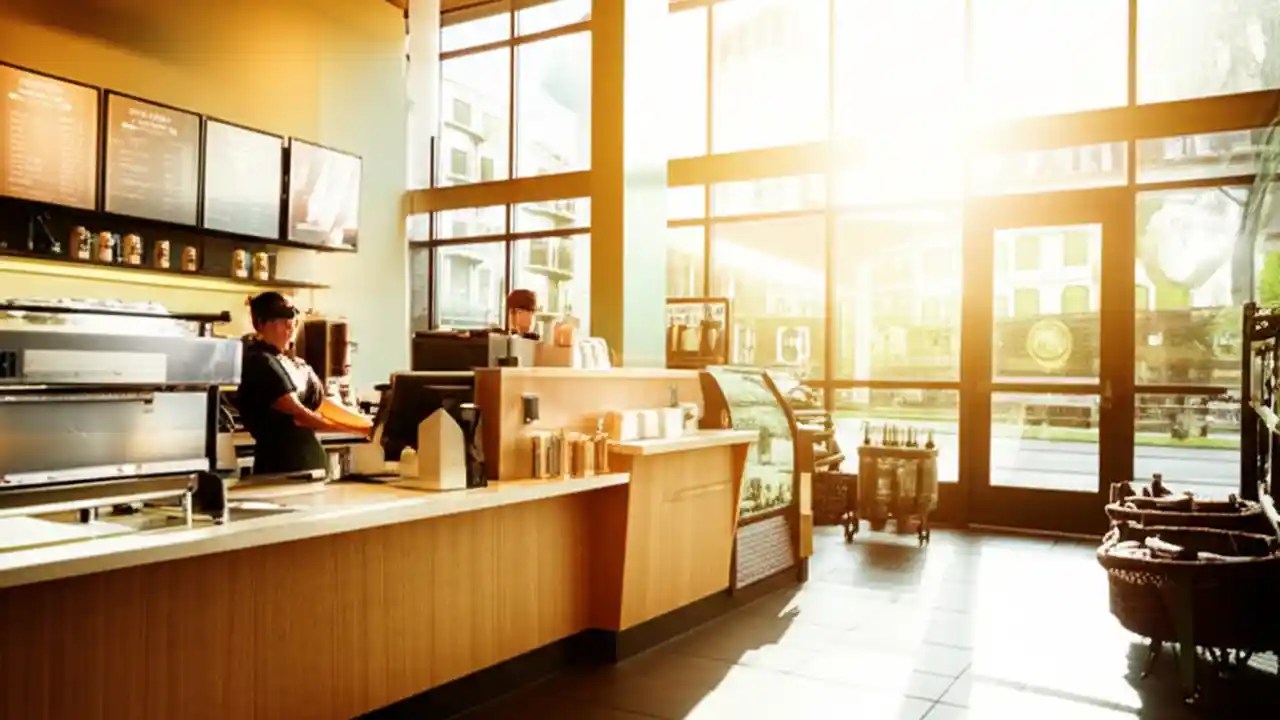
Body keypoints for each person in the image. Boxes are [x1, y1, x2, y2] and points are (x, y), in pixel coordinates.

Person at [237, 292, 359, 475]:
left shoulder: (297, 365)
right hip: (281, 467)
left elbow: (323, 405)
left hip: (310, 465)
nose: (290, 323)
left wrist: (364, 424)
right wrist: (347, 429)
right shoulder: (259, 363)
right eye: (281, 317)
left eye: (293, 315)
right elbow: (298, 414)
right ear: (260, 324)